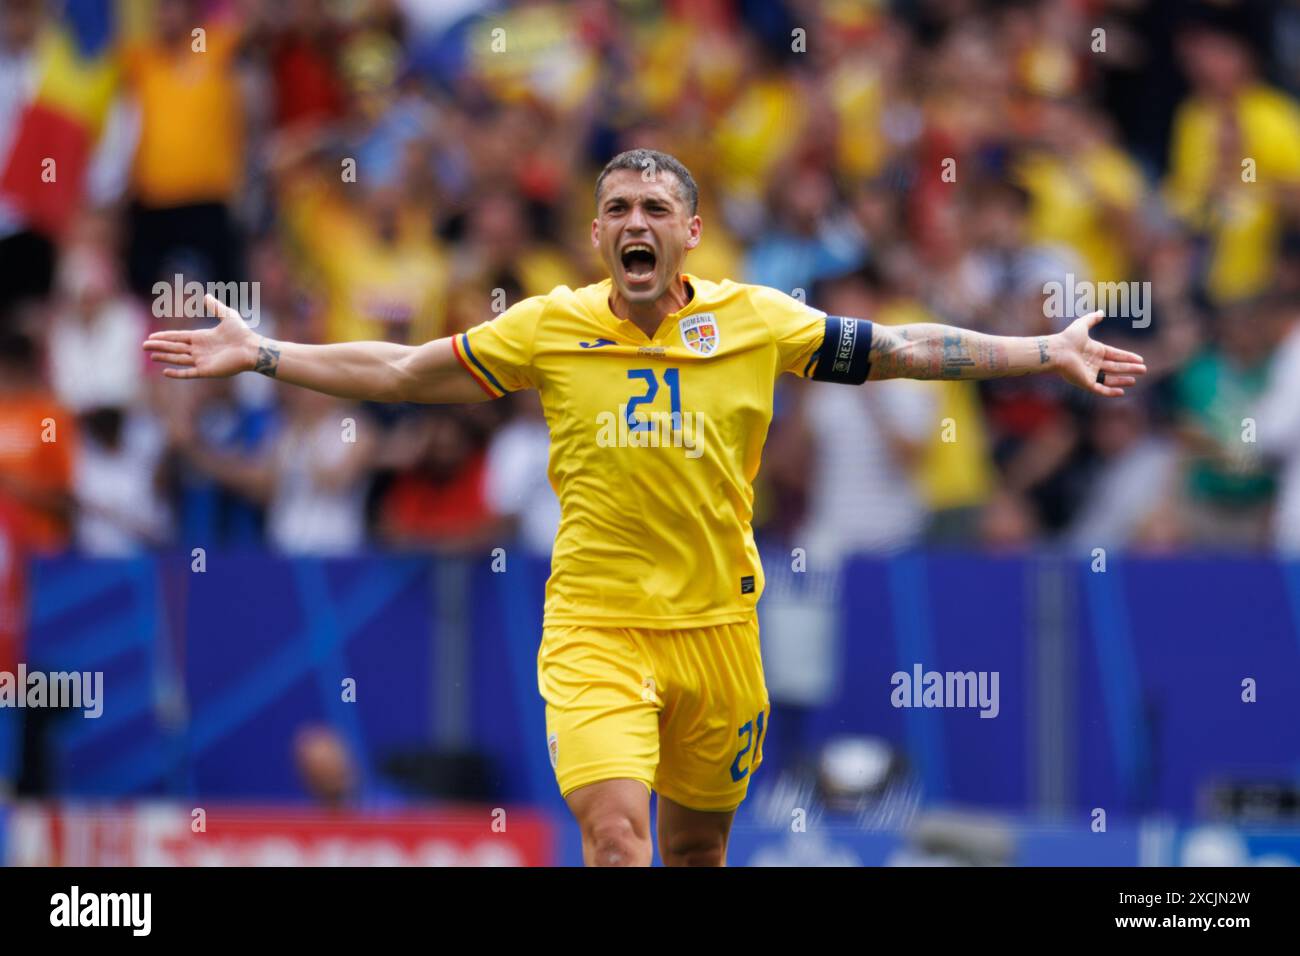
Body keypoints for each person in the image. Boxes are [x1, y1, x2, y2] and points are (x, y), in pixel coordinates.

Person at [144, 148, 1146, 866]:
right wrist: (266, 351)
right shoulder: (547, 327)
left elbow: (897, 347)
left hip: (719, 628)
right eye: (618, 205)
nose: (635, 221)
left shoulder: (754, 320)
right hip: (595, 628)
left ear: (690, 233)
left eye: (655, 207)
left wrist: (1043, 352)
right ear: (595, 231)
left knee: (696, 845)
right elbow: (405, 371)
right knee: (618, 839)